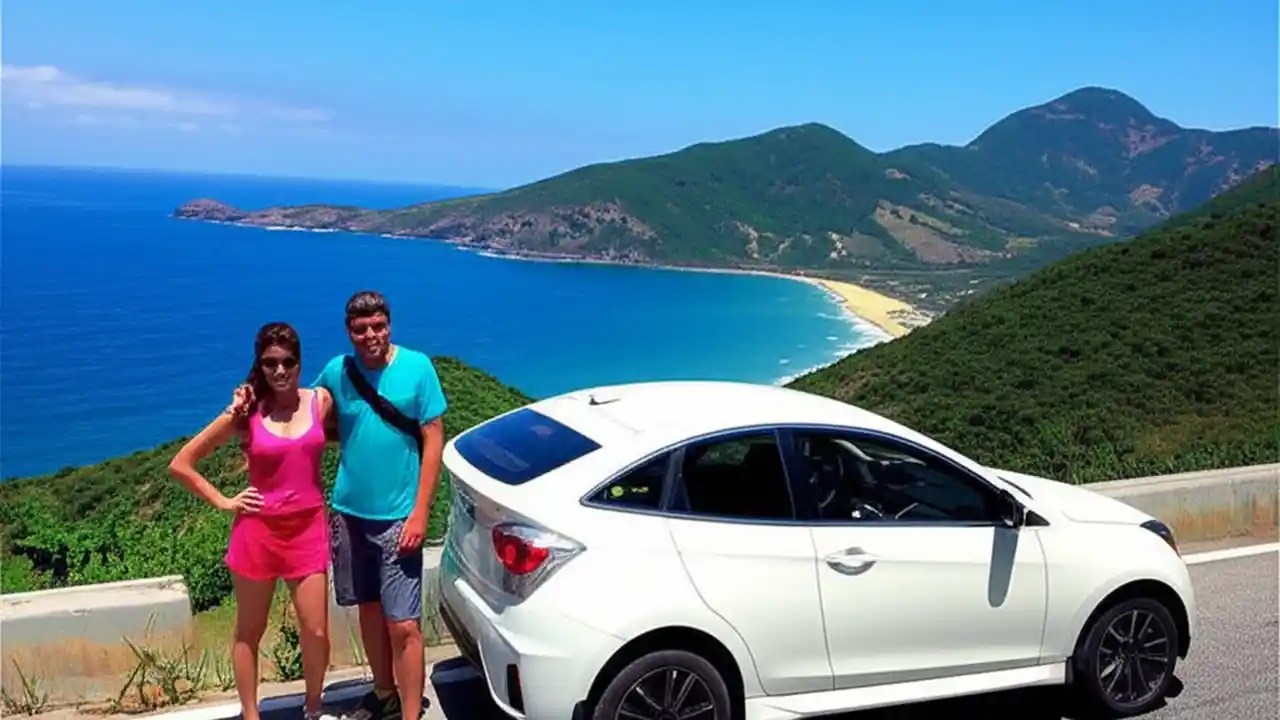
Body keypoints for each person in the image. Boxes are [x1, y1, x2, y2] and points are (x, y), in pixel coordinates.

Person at [231, 291, 447, 720]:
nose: (371, 335)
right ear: (349, 331)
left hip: (399, 516)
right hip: (349, 514)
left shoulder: (418, 367)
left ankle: (409, 713)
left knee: (403, 623)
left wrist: (421, 510)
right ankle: (383, 693)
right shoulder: (337, 372)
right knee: (368, 608)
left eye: (378, 326)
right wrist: (248, 392)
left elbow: (434, 437)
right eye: (361, 328)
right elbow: (297, 404)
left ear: (390, 325)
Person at [169, 322, 336, 720]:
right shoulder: (247, 413)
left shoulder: (321, 401)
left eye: (288, 362)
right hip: (257, 532)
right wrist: (226, 501)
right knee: (249, 631)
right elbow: (181, 464)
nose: (280, 371)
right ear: (259, 366)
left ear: (300, 362)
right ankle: (250, 714)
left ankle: (314, 708)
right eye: (269, 363)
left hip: (308, 528)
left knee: (316, 632)